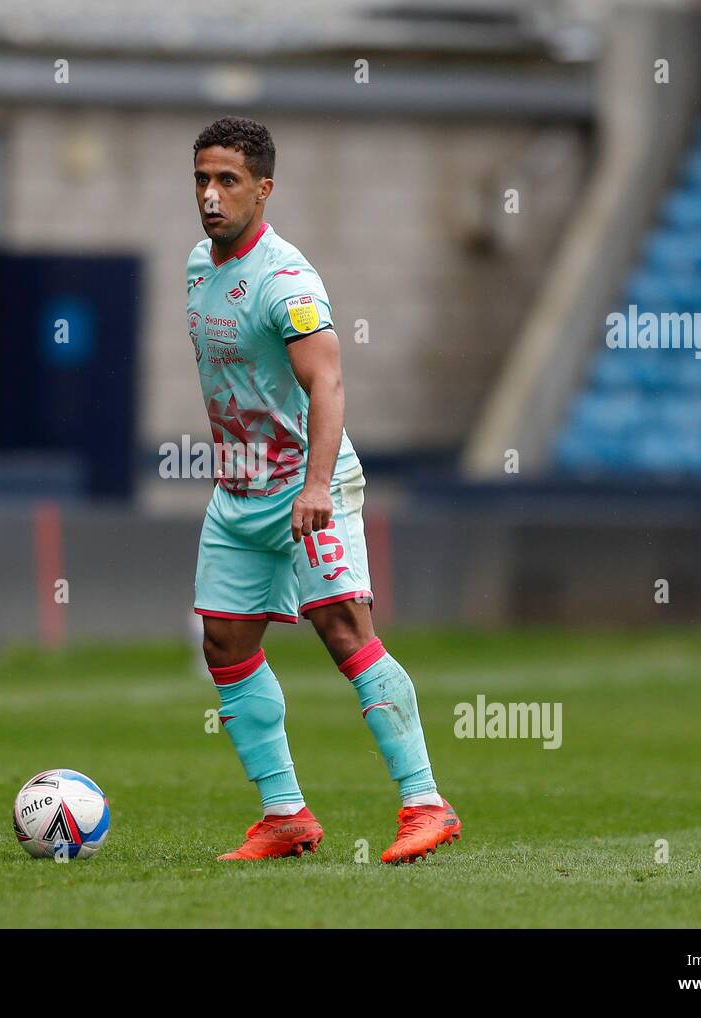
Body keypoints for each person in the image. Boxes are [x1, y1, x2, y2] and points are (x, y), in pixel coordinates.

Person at [186, 116, 461, 863]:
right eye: (202, 180)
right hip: (240, 491)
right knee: (225, 643)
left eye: (228, 181)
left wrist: (313, 484)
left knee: (345, 633)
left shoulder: (287, 281)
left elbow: (328, 383)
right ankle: (285, 815)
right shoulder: (197, 268)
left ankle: (426, 803)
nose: (212, 196)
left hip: (311, 487)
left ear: (263, 189)